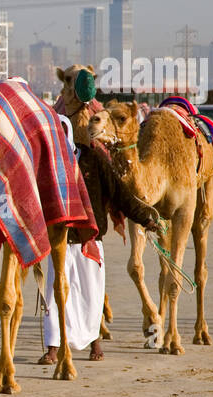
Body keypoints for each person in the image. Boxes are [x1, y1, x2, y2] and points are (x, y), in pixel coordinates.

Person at [39, 114, 160, 363]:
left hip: (89, 240)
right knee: (53, 295)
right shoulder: (46, 165)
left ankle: (95, 343)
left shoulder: (93, 159)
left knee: (92, 293)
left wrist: (145, 218)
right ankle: (53, 347)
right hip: (57, 241)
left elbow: (119, 193)